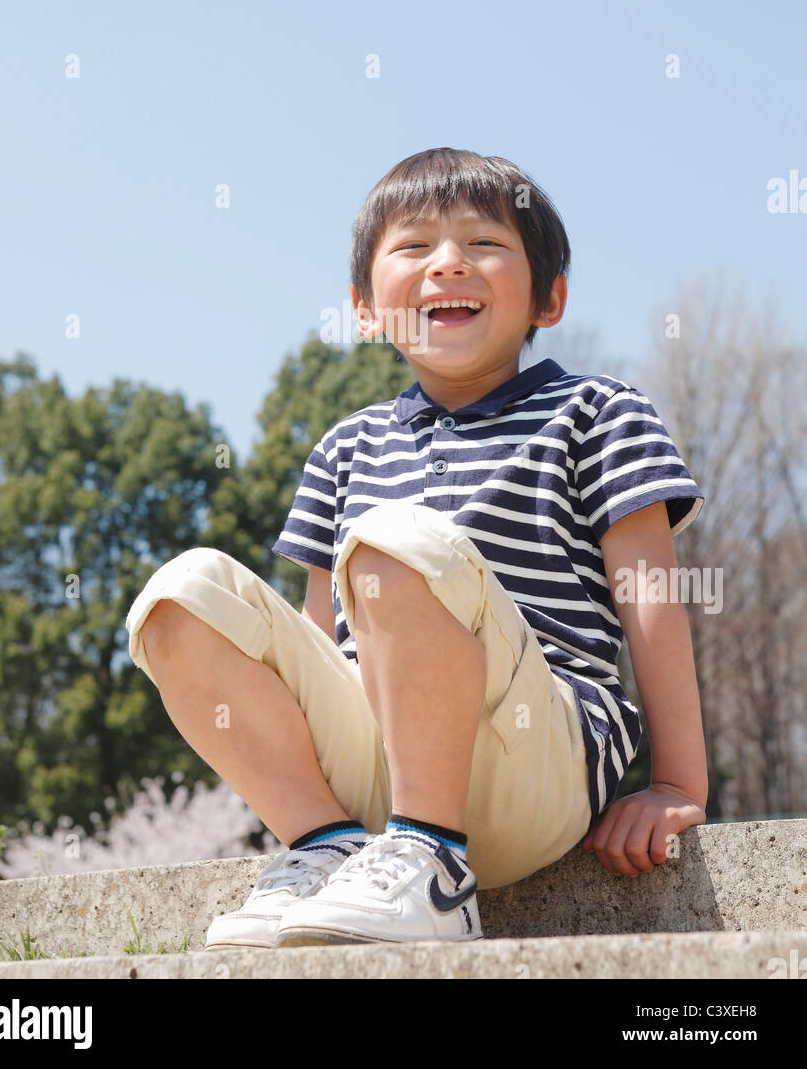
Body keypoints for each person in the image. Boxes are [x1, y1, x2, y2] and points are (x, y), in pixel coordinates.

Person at [125, 147, 708, 949]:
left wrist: (675, 782)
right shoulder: (344, 449)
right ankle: (325, 847)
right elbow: (321, 649)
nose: (448, 265)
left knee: (395, 542)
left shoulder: (597, 412)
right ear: (365, 307)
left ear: (549, 297)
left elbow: (650, 598)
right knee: (181, 595)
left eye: (485, 244)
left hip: (535, 765)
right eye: (414, 247)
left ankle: (436, 869)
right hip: (378, 776)